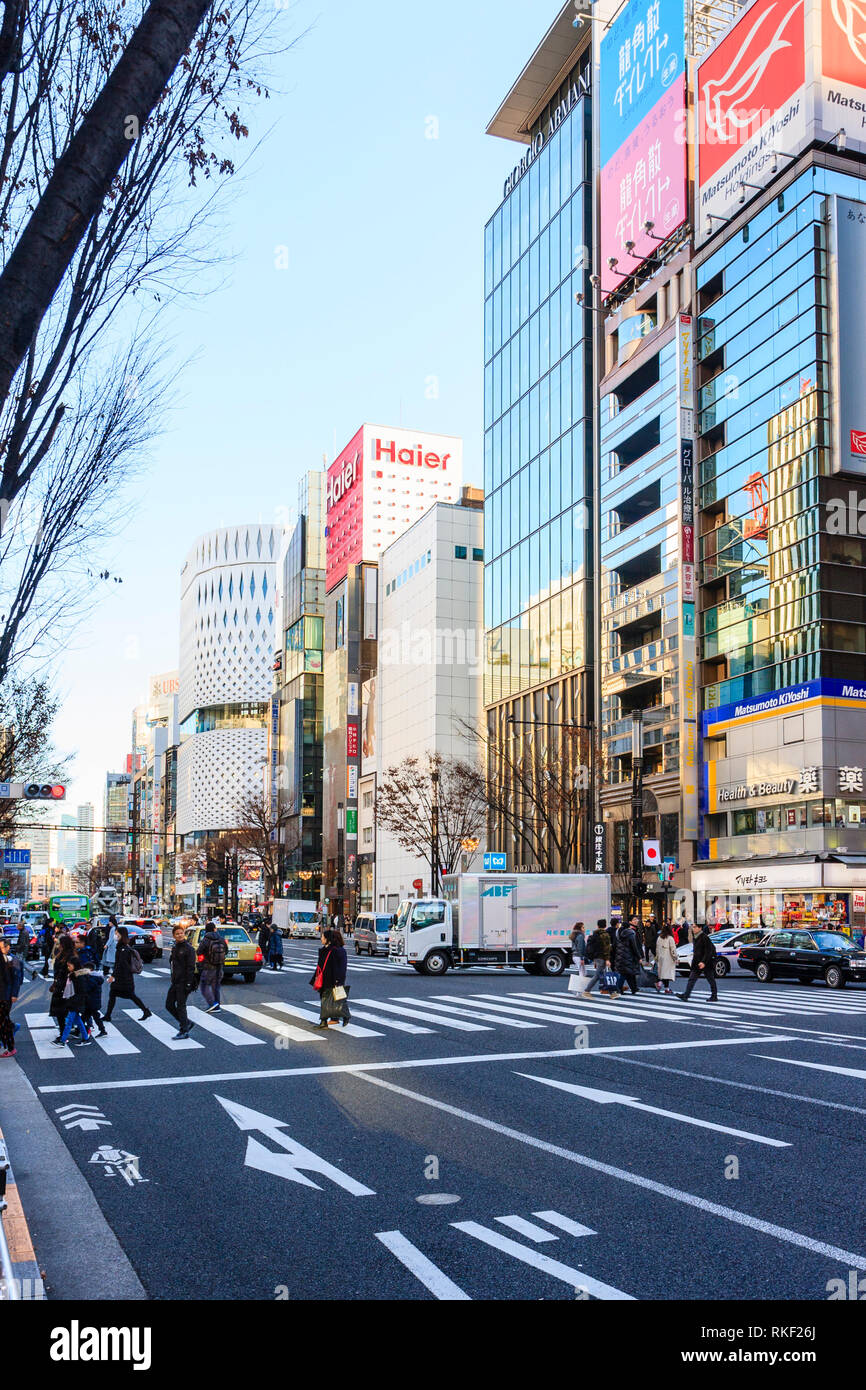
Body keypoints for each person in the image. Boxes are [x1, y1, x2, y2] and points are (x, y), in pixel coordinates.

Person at [103, 926, 151, 1023]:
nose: (115, 936)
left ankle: (146, 1011)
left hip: (124, 978)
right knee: (116, 994)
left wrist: (113, 976)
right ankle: (108, 1015)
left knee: (130, 995)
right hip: (124, 977)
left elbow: (121, 964)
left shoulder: (124, 949)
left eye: (117, 934)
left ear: (121, 935)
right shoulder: (122, 947)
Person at [50, 937, 92, 1047]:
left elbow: (80, 990)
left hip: (74, 999)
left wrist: (72, 999)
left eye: (69, 966)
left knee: (69, 1020)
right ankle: (85, 1037)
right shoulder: (72, 975)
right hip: (71, 997)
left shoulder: (76, 976)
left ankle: (62, 1040)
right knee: (76, 1019)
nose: (68, 967)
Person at [311, 927, 350, 1028]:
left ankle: (344, 1016)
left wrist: (338, 980)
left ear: (328, 939)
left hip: (334, 979)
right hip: (324, 979)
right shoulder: (324, 950)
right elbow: (320, 966)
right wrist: (315, 978)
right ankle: (325, 1021)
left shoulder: (337, 951)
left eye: (323, 937)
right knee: (325, 999)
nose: (321, 939)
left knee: (338, 999)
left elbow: (341, 968)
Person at [166, 924, 196, 1040]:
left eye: (181, 933)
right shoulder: (175, 947)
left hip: (184, 982)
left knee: (181, 1006)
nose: (179, 935)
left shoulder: (189, 949)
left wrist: (188, 984)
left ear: (184, 934)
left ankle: (184, 1030)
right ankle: (186, 1023)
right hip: (175, 981)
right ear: (174, 935)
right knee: (169, 1005)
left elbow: (191, 968)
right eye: (177, 934)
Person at [677, 922, 719, 1002]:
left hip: (706, 962)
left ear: (700, 928)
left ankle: (714, 996)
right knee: (691, 979)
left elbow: (708, 951)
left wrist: (703, 962)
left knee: (710, 979)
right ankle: (686, 995)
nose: (693, 929)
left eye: (695, 927)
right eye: (693, 927)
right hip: (697, 962)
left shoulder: (704, 937)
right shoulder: (695, 937)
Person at [197, 920, 226, 1014]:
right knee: (216, 986)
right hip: (220, 967)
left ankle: (212, 1004)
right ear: (214, 929)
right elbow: (227, 950)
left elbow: (199, 951)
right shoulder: (221, 938)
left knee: (204, 985)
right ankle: (217, 1005)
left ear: (206, 930)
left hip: (208, 966)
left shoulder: (206, 939)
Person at [580, 919, 611, 999]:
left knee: (602, 974)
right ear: (605, 926)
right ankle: (587, 991)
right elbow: (606, 948)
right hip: (602, 957)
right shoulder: (605, 935)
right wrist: (607, 959)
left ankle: (611, 991)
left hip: (596, 957)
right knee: (598, 975)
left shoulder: (595, 934)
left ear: (597, 926)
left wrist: (594, 960)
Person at [615, 917, 642, 996]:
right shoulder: (631, 934)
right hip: (628, 956)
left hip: (620, 955)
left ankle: (634, 988)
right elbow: (634, 947)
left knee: (628, 973)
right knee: (625, 973)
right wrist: (639, 956)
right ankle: (618, 988)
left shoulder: (619, 933)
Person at [0, 940, 16, 1056]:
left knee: (4, 1023)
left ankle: (10, 1048)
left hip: (3, 996)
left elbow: (14, 979)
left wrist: (13, 994)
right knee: (4, 1022)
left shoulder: (11, 960)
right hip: (4, 995)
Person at [654, 923, 678, 996]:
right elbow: (673, 949)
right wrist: (675, 957)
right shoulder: (670, 938)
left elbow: (657, 948)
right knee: (667, 973)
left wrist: (657, 957)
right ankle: (666, 988)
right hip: (668, 958)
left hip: (661, 957)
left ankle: (660, 983)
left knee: (662, 973)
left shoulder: (659, 938)